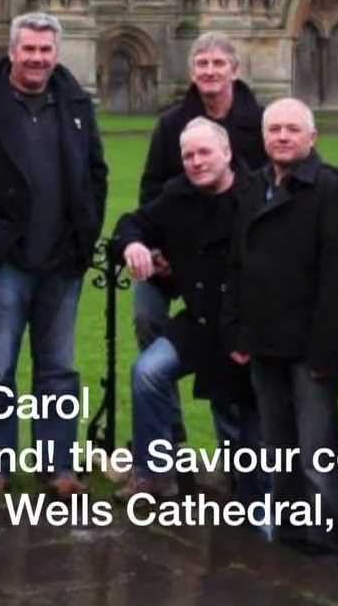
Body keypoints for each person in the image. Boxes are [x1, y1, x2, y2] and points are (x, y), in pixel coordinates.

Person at [0, 12, 108, 498]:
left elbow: (96, 173)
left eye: (45, 50)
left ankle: (58, 467)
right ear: (12, 52)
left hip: (61, 260)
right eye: (29, 50)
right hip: (2, 259)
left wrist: (85, 233)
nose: (37, 59)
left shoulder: (74, 102)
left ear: (56, 54)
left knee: (59, 370)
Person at [226, 97, 338, 559]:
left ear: (312, 137)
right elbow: (239, 264)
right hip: (264, 344)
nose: (282, 137)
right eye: (274, 130)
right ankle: (291, 545)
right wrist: (241, 332)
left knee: (316, 457)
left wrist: (326, 349)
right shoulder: (254, 185)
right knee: (279, 450)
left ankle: (332, 553)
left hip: (310, 347)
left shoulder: (332, 187)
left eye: (292, 129)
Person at [110, 117, 267, 503]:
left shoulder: (258, 196)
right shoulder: (178, 195)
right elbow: (130, 223)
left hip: (246, 326)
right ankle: (154, 475)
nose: (196, 162)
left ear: (227, 153)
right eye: (188, 155)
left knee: (244, 419)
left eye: (205, 153)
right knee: (147, 372)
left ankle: (253, 502)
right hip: (199, 322)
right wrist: (134, 245)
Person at [133, 32, 266, 351]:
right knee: (146, 318)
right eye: (202, 64)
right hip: (176, 244)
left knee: (231, 328)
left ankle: (229, 398)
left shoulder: (261, 123)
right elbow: (151, 188)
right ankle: (159, 388)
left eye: (218, 63)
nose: (210, 71)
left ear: (235, 70)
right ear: (192, 73)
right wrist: (154, 250)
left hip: (233, 252)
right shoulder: (171, 124)